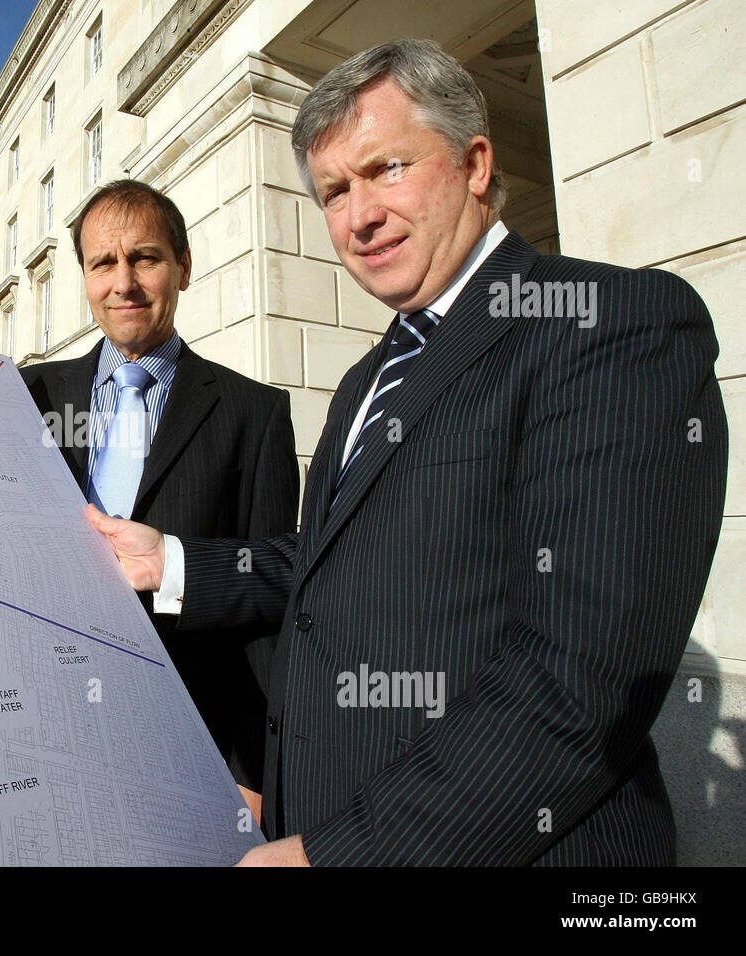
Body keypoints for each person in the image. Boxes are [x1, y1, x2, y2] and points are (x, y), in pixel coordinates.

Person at [86, 37, 728, 865]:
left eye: (386, 168)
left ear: (475, 163)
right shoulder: (365, 379)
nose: (358, 217)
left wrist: (339, 856)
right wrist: (169, 564)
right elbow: (328, 568)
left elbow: (577, 682)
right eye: (333, 192)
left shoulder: (608, 326)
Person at [0, 180, 299, 822]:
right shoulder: (25, 394)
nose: (124, 283)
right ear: (83, 278)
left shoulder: (254, 412)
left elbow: (272, 599)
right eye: (102, 264)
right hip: (42, 730)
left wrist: (253, 775)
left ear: (183, 266)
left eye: (144, 257)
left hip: (192, 745)